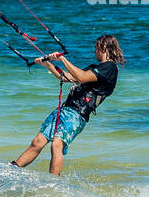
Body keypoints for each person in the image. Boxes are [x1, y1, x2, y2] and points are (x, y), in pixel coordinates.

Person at [11, 34, 124, 175]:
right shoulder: (95, 67)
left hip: (77, 115)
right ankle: (13, 169)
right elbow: (66, 77)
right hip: (64, 110)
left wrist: (62, 59)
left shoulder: (110, 68)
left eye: (96, 48)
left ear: (104, 47)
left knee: (56, 144)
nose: (94, 51)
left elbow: (81, 77)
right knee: (38, 141)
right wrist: (47, 64)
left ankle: (52, 183)